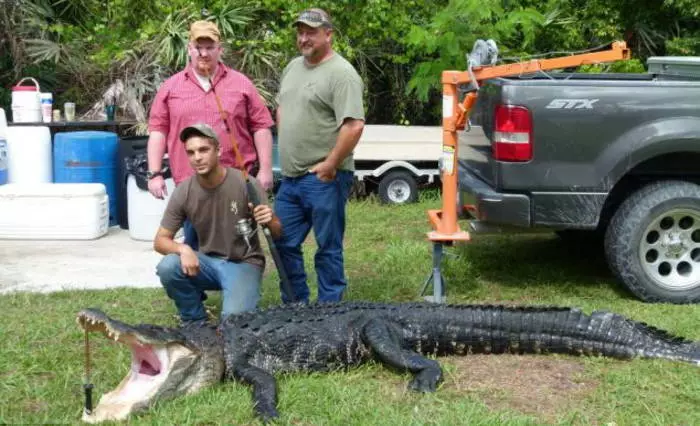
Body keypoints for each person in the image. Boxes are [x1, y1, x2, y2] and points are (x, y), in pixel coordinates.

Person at [147, 19, 275, 251]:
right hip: (191, 184)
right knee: (194, 247)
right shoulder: (170, 88)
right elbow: (158, 131)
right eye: (198, 47)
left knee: (241, 244)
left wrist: (266, 169)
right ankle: (197, 282)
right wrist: (155, 173)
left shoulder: (241, 84)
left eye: (209, 47)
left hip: (238, 182)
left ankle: (240, 279)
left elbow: (261, 126)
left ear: (220, 49)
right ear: (189, 49)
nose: (203, 53)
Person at [274, 8, 365, 304]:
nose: (304, 38)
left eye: (311, 32)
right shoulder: (292, 67)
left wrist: (330, 164)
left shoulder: (342, 74)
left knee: (327, 246)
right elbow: (282, 107)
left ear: (328, 34)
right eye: (300, 32)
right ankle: (296, 306)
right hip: (290, 179)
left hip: (324, 177)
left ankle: (330, 311)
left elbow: (353, 125)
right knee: (282, 241)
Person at [153, 123, 281, 326]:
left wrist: (270, 219)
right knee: (168, 266)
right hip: (207, 263)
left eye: (204, 150)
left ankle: (238, 300)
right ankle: (194, 321)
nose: (197, 157)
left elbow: (277, 233)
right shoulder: (184, 191)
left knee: (233, 325)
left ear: (219, 150)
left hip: (243, 263)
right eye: (191, 152)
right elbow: (160, 241)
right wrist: (183, 248)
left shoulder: (246, 183)